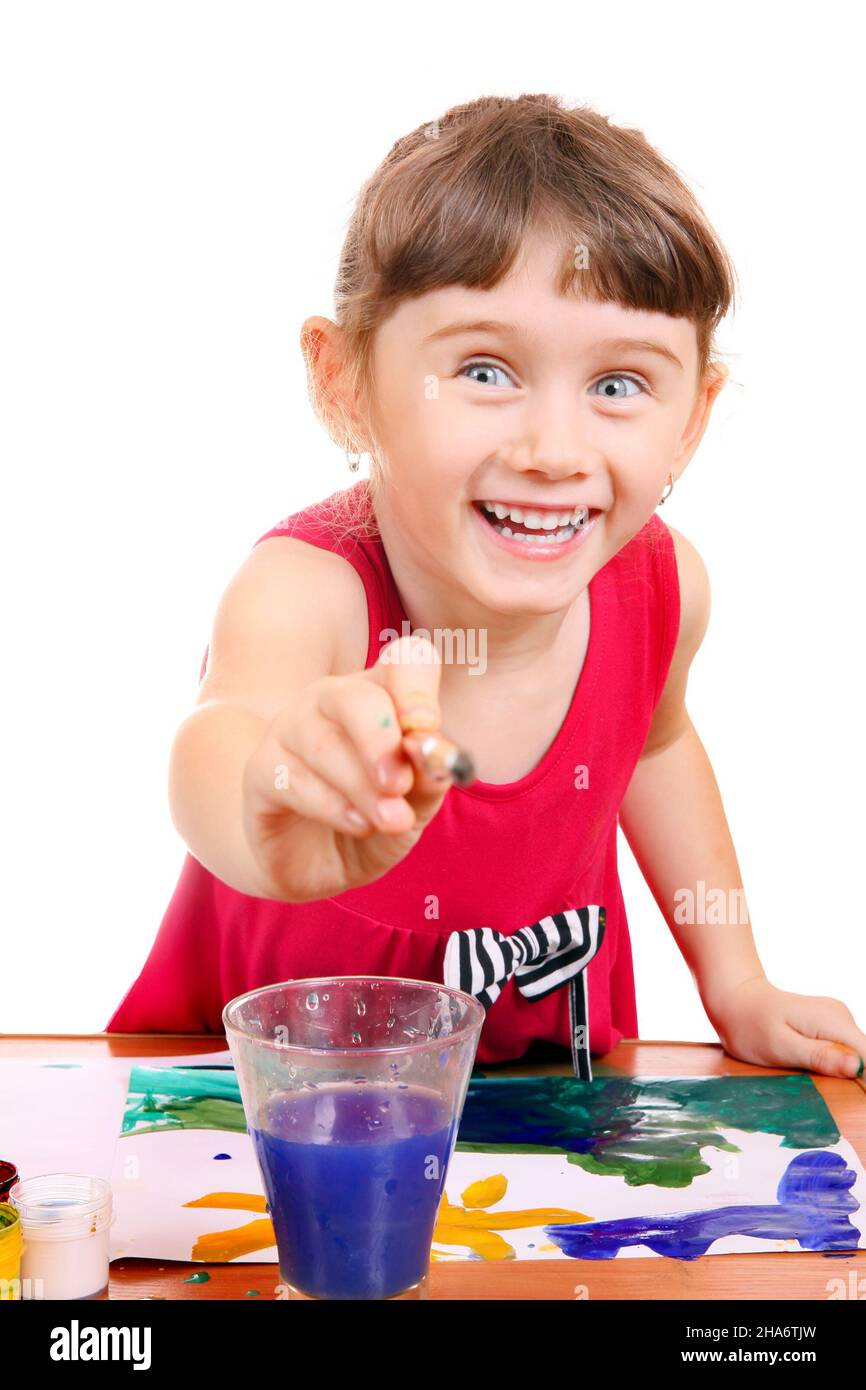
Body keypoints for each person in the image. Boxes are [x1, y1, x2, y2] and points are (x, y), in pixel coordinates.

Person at [107, 92, 865, 1080]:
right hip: (289, 1089)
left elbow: (655, 749)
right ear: (345, 384)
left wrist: (735, 981)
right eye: (482, 369)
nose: (552, 451)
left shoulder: (663, 587)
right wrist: (265, 790)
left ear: (691, 417)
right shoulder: (308, 590)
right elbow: (218, 735)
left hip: (545, 1073)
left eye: (618, 384)